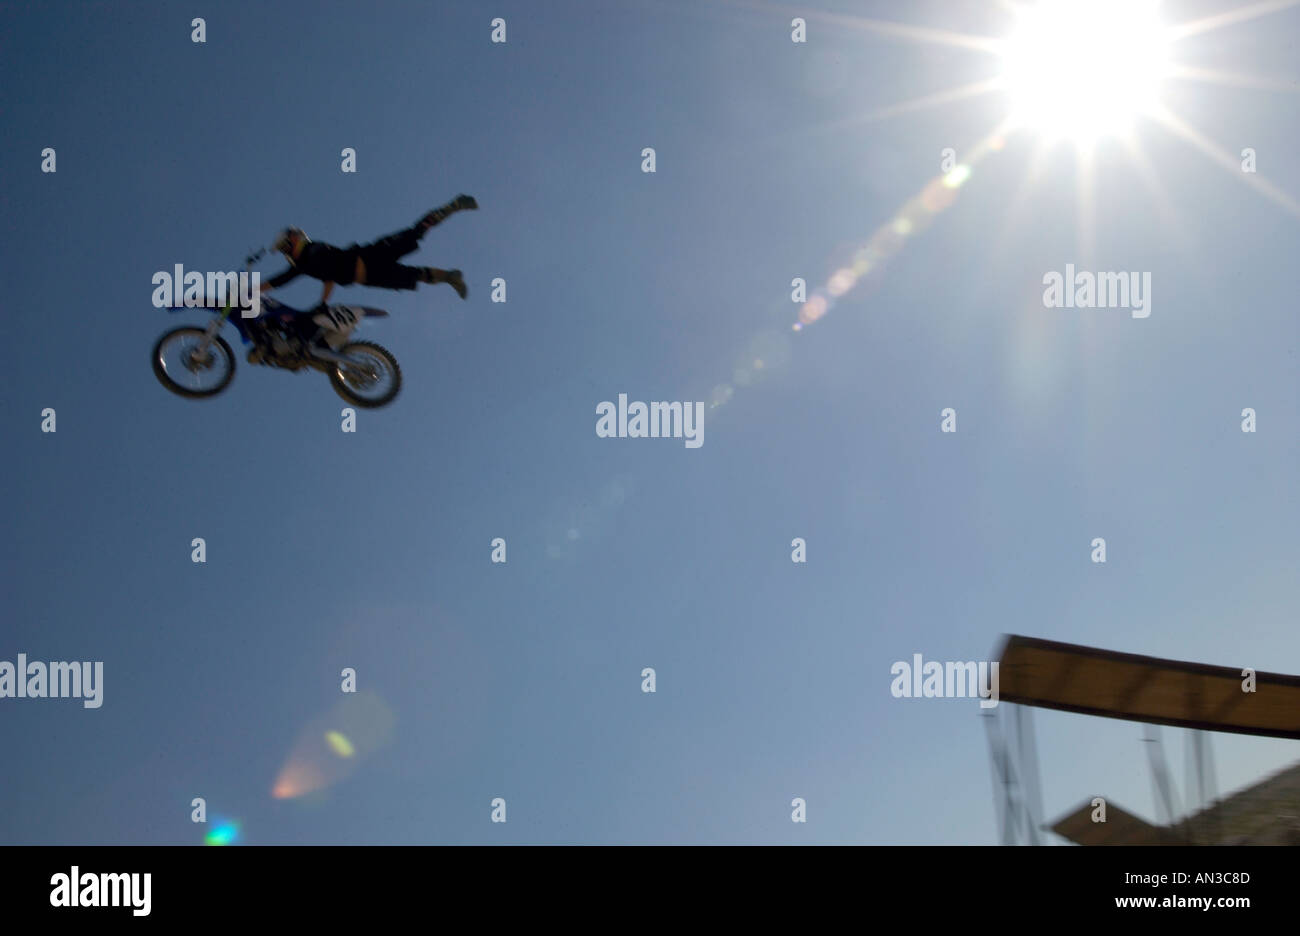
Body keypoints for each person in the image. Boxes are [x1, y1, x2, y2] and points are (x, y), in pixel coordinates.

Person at [249, 195, 477, 363]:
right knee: (414, 277)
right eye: (284, 251)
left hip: (370, 256)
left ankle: (454, 205)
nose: (286, 253)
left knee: (415, 232)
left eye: (286, 248)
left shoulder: (314, 251)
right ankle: (450, 277)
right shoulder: (304, 265)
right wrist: (253, 290)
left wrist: (322, 303)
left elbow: (324, 274)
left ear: (295, 240)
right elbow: (283, 279)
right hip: (370, 277)